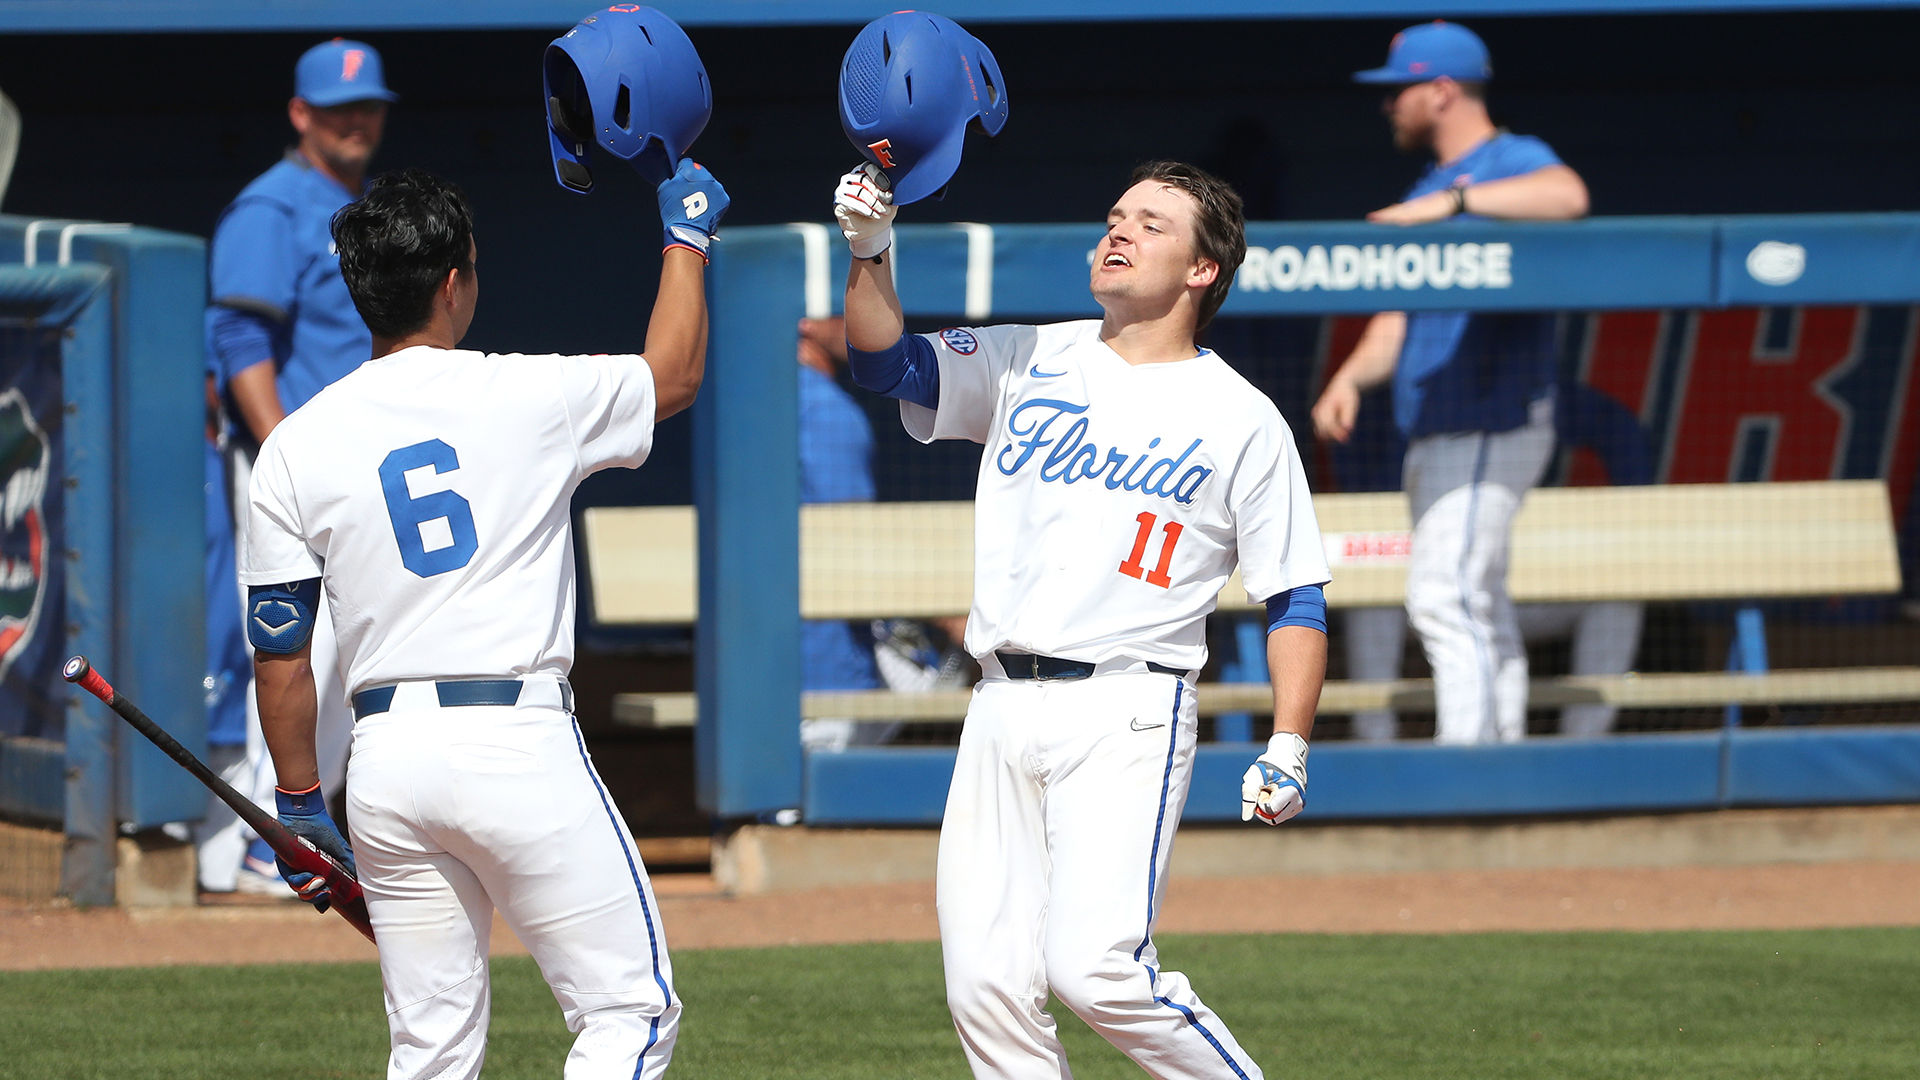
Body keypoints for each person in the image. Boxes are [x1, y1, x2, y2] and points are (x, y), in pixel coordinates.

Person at [837, 158, 1330, 1080]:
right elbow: (884, 363)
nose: (1119, 231)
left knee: (1097, 971)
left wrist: (1289, 741)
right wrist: (871, 252)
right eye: (1115, 216)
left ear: (1202, 269)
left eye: (1150, 224)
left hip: (1127, 705)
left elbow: (1294, 595)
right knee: (984, 985)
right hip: (999, 701)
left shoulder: (1243, 417)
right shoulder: (1030, 354)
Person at [239, 162, 728, 1078]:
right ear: (453, 282)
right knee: (628, 1011)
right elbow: (675, 375)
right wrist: (687, 237)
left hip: (385, 766)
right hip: (514, 742)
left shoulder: (295, 443)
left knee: (431, 1049)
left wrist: (299, 803)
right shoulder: (528, 394)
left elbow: (282, 658)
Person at [1311, 20, 1589, 745]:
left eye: (1398, 90)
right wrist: (1350, 378)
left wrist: (1460, 204)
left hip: (1495, 415)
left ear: (1440, 91)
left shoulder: (1506, 159)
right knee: (1479, 599)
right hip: (1438, 426)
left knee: (1443, 594)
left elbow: (1568, 195)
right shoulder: (1429, 184)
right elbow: (1398, 318)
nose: (1388, 105)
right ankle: (1502, 757)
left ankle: (1466, 764)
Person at [200, 37, 398, 892]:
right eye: (338, 108)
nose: (356, 121)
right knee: (294, 648)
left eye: (368, 106)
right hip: (291, 461)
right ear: (300, 113)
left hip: (360, 464)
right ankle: (268, 839)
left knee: (354, 650)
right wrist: (283, 451)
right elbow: (239, 335)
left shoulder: (364, 205)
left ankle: (288, 840)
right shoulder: (271, 207)